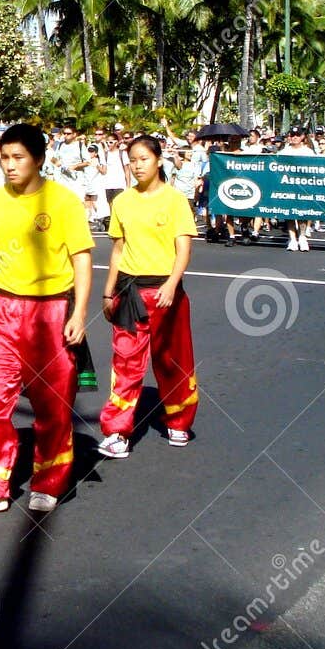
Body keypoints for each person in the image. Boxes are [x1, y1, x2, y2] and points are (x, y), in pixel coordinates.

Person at [0, 123, 92, 515]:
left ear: (39, 160)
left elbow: (82, 258)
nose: (10, 166)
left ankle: (49, 481)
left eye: (18, 158)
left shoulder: (63, 201)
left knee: (52, 404)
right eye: (4, 159)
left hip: (50, 312)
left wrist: (79, 312)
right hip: (2, 310)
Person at [97, 135, 198, 459]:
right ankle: (117, 431)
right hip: (130, 293)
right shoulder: (123, 201)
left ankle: (178, 420)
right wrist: (108, 290)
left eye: (143, 158)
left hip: (165, 294)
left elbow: (183, 247)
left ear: (158, 160)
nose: (138, 165)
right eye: (133, 160)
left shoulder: (174, 200)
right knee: (126, 362)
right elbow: (118, 249)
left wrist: (172, 284)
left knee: (171, 359)